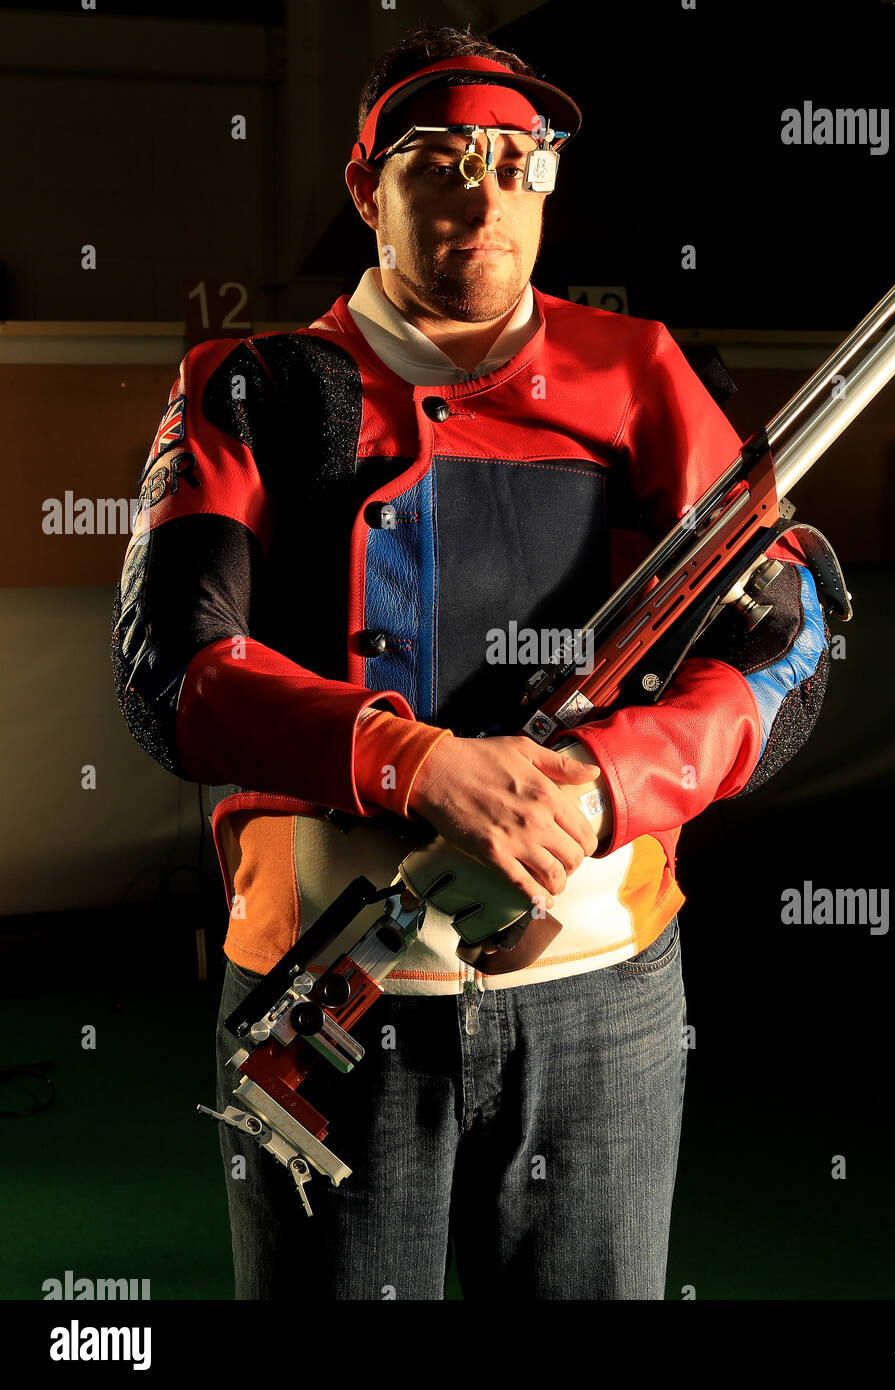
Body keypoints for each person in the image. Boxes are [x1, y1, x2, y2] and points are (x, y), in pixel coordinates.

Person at [112, 25, 835, 1300]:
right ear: (367, 188)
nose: (485, 190)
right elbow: (171, 672)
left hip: (604, 1001)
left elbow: (790, 643)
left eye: (518, 159)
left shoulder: (648, 372)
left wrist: (609, 780)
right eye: (440, 157)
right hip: (327, 1003)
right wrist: (418, 766)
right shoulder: (251, 388)